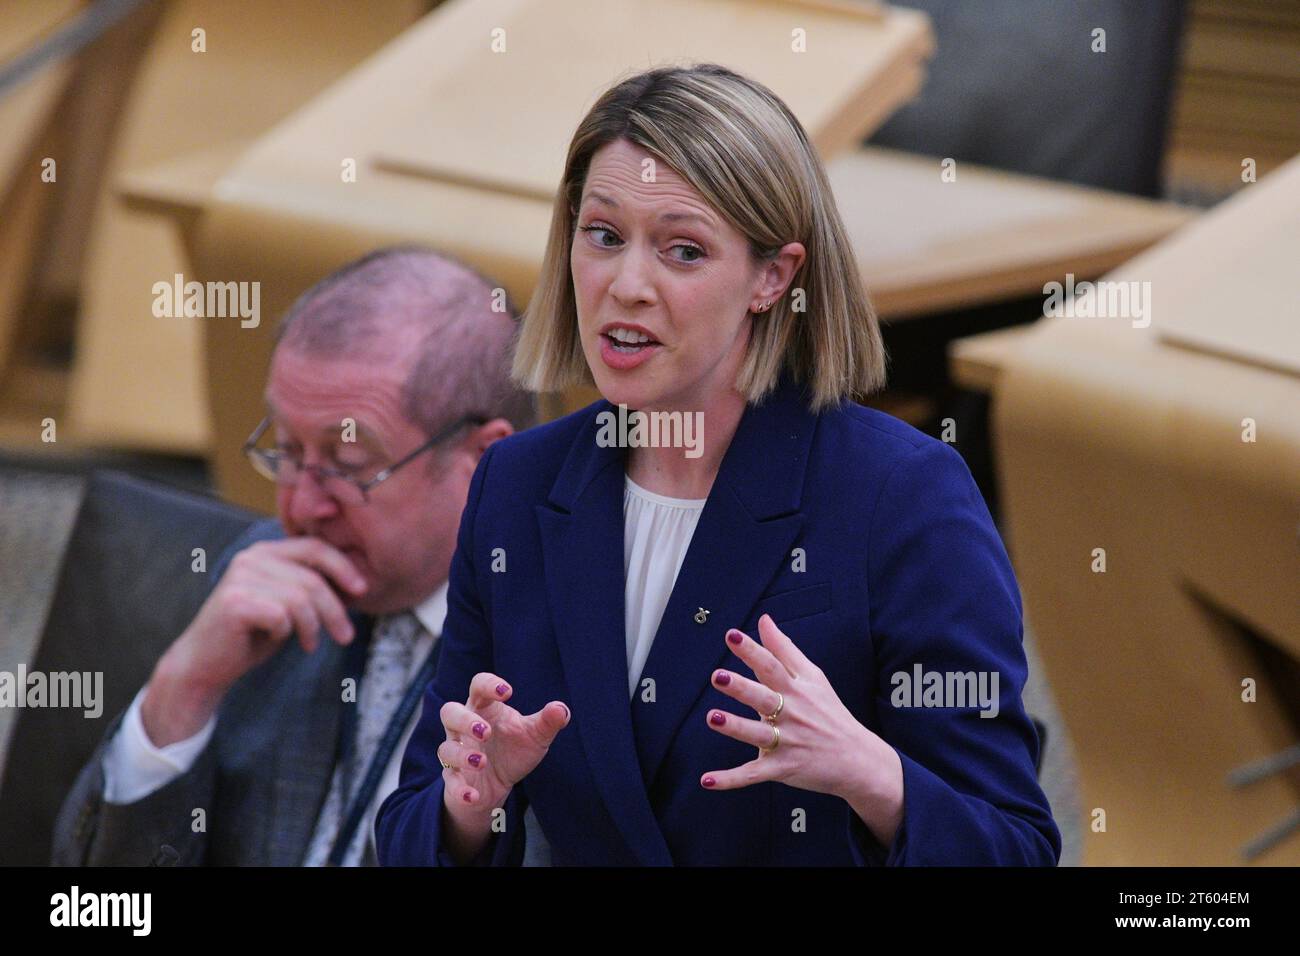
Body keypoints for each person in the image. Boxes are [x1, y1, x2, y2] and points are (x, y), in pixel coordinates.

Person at [377, 65, 1061, 866]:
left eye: (684, 250)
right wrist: (473, 803)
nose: (627, 285)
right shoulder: (517, 484)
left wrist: (870, 772)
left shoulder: (902, 494)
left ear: (773, 276)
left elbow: (1013, 846)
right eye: (603, 236)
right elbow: (410, 828)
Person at [53, 246, 542, 866]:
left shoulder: (563, 652)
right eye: (286, 451)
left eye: (348, 464)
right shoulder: (262, 586)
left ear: (484, 461)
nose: (303, 507)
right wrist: (181, 691)